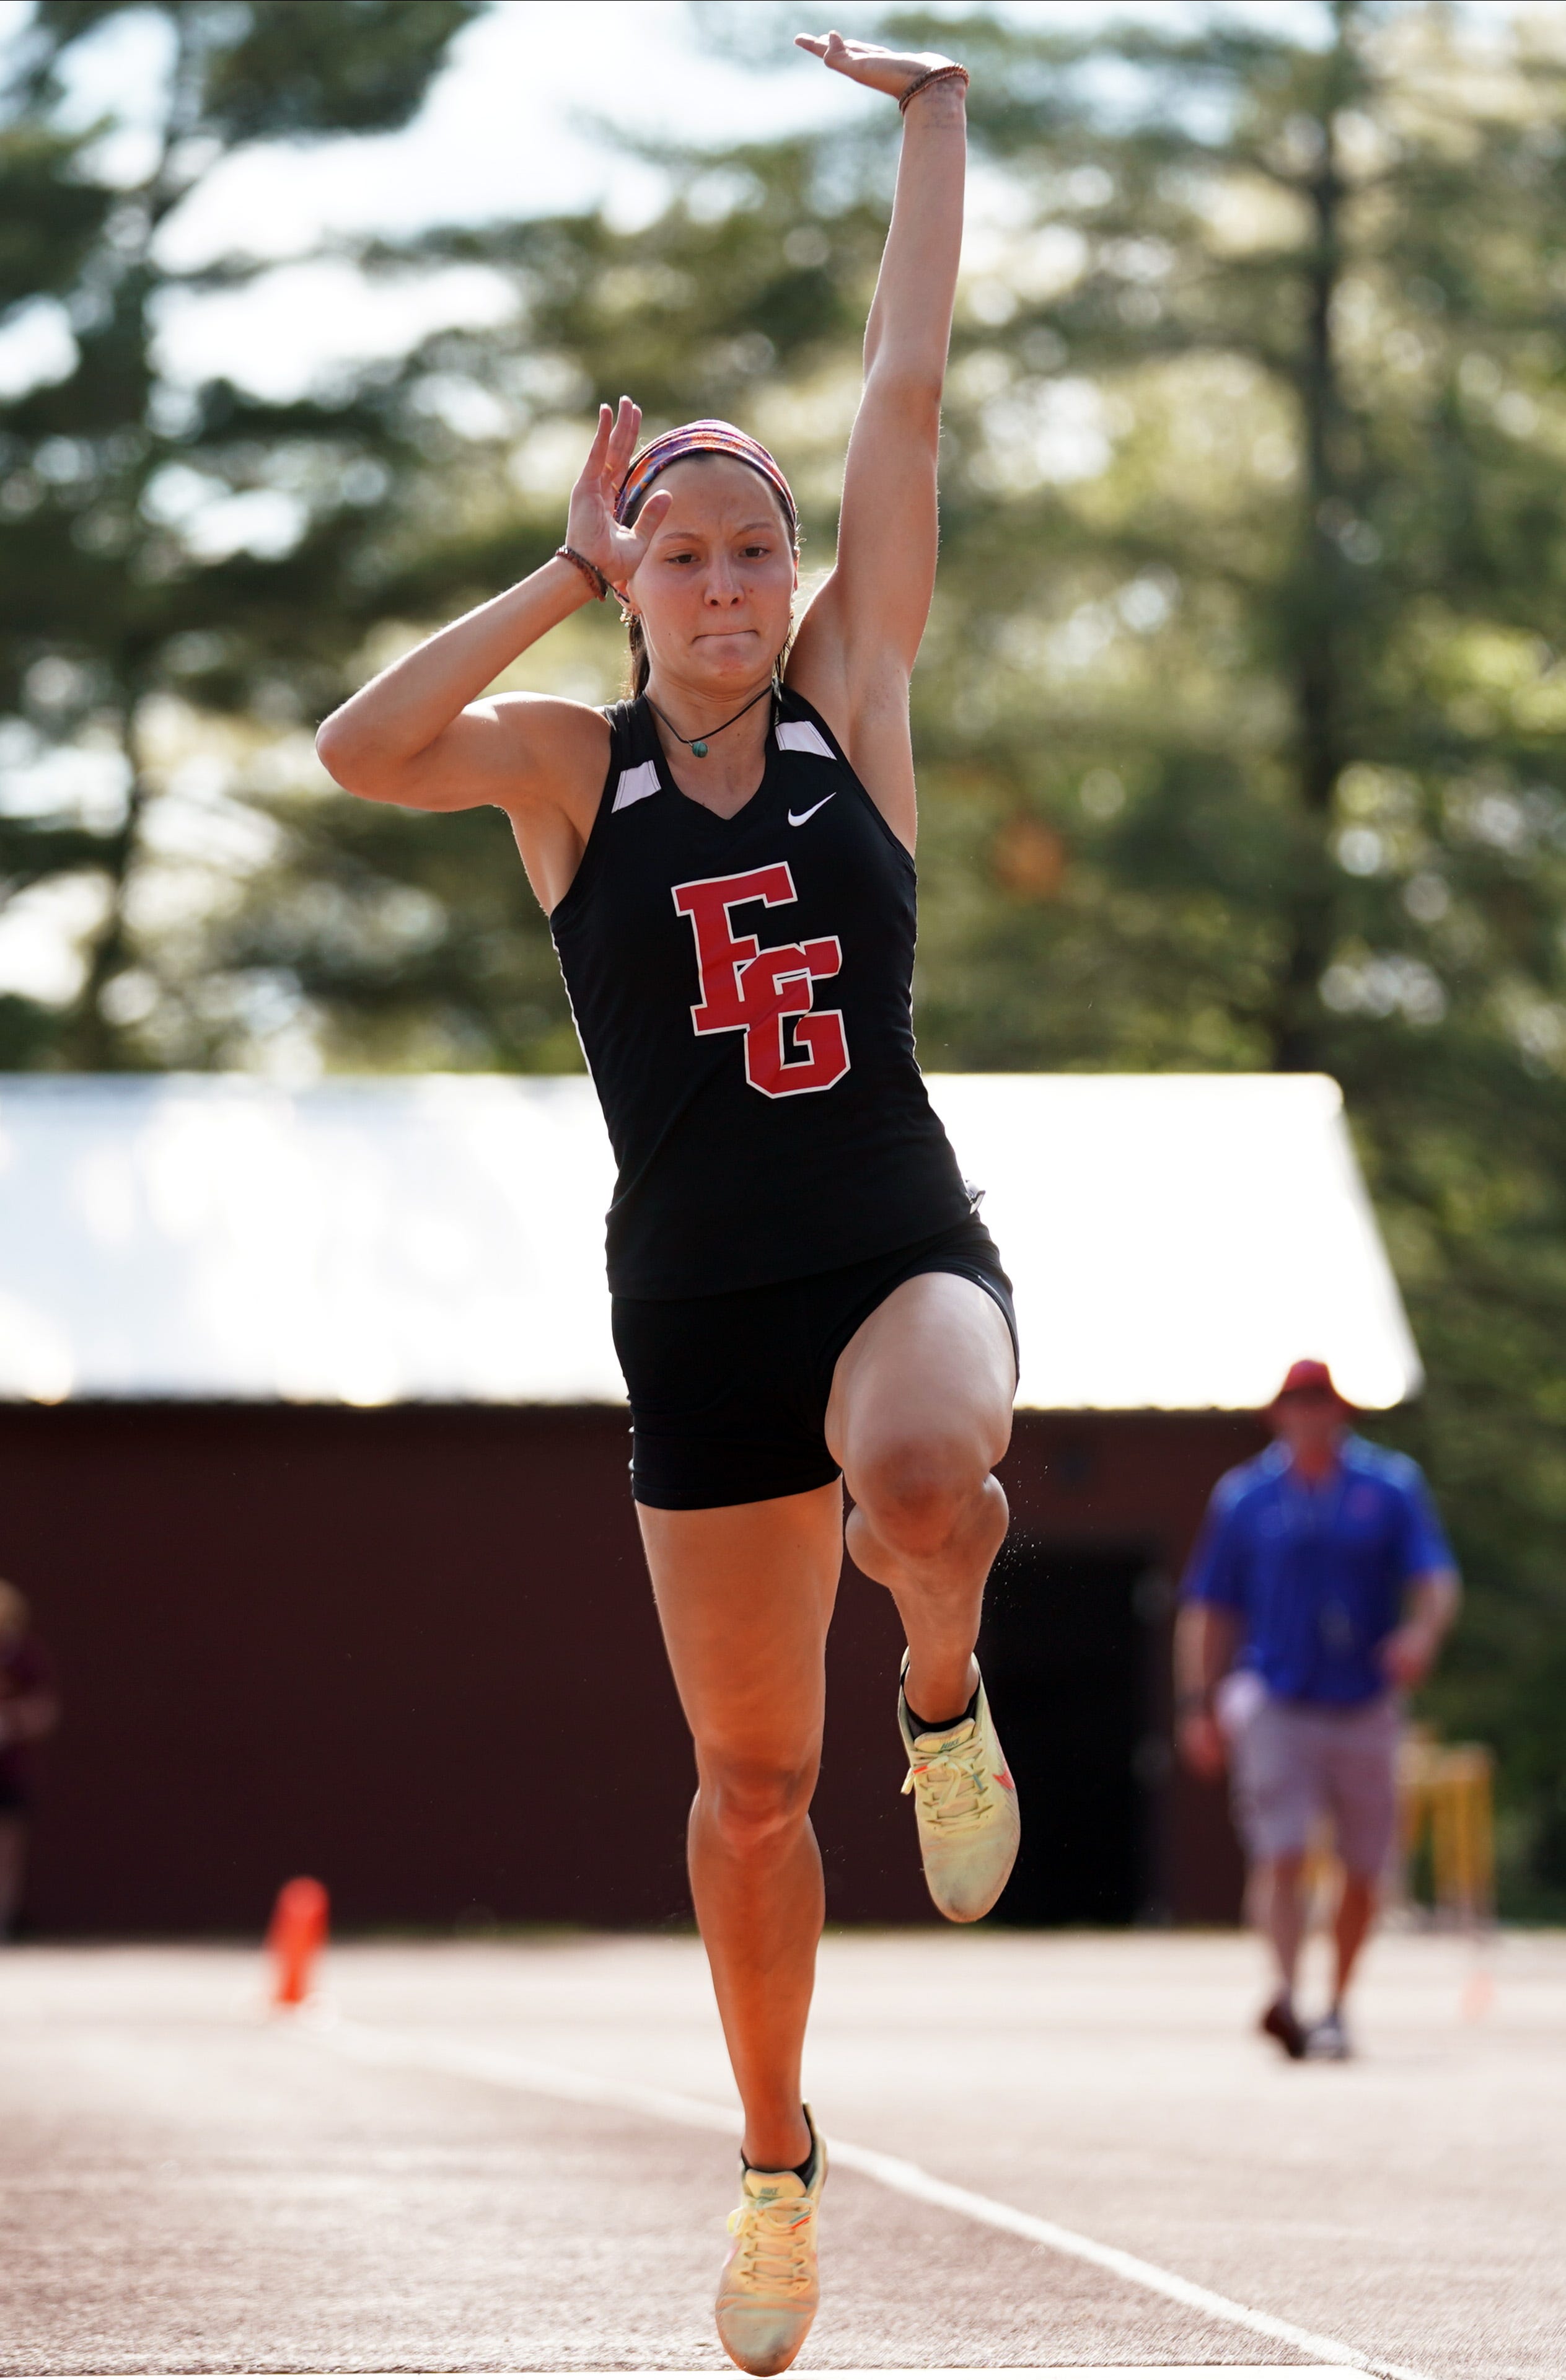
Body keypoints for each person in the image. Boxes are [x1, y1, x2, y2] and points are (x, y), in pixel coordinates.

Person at [315, 32, 1018, 2374]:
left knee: (922, 1477)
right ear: (640, 583)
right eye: (681, 552)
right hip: (694, 1303)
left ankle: (943, 1686)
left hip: (890, 1238)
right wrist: (557, 560)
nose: (723, 582)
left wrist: (931, 120)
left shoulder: (852, 702)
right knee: (746, 1786)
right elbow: (356, 750)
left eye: (751, 548)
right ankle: (774, 2156)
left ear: (793, 573)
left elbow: (902, 393)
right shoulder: (569, 769)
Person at [1175, 1358, 1459, 2061]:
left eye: (1320, 1402)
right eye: (1297, 1402)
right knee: (1282, 1850)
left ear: (1340, 1411)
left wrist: (1420, 1635)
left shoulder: (1388, 1486)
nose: (1309, 1414)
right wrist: (1198, 1703)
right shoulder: (1244, 1496)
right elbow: (1209, 1607)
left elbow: (1435, 1579)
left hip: (1364, 1699)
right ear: (1278, 1414)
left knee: (1363, 1865)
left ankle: (1336, 2005)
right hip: (1276, 1696)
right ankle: (1284, 1994)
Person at [0, 1579, 61, 1941]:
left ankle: (4, 1920)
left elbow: (45, 1711)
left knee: (7, 1846)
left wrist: (11, 1722)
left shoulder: (23, 1656)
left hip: (9, 1770)